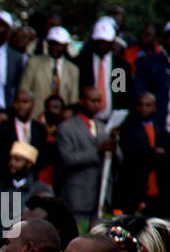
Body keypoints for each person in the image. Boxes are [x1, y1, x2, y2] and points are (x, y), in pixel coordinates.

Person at [55, 86, 114, 224]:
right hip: (77, 197)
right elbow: (68, 159)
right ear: (81, 101)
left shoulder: (103, 127)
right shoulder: (66, 128)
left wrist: (115, 146)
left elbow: (116, 160)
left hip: (100, 195)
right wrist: (97, 150)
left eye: (98, 101)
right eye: (92, 100)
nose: (96, 105)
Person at [115, 91, 170, 215]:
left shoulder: (160, 130)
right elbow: (133, 152)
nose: (144, 108)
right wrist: (155, 151)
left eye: (148, 105)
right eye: (140, 105)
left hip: (159, 188)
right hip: (135, 187)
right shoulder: (128, 128)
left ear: (155, 107)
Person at [19, 27, 79, 107]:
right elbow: (24, 91)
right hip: (36, 115)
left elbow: (73, 100)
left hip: (61, 117)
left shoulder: (73, 70)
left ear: (65, 46)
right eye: (53, 44)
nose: (55, 48)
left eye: (59, 45)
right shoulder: (33, 63)